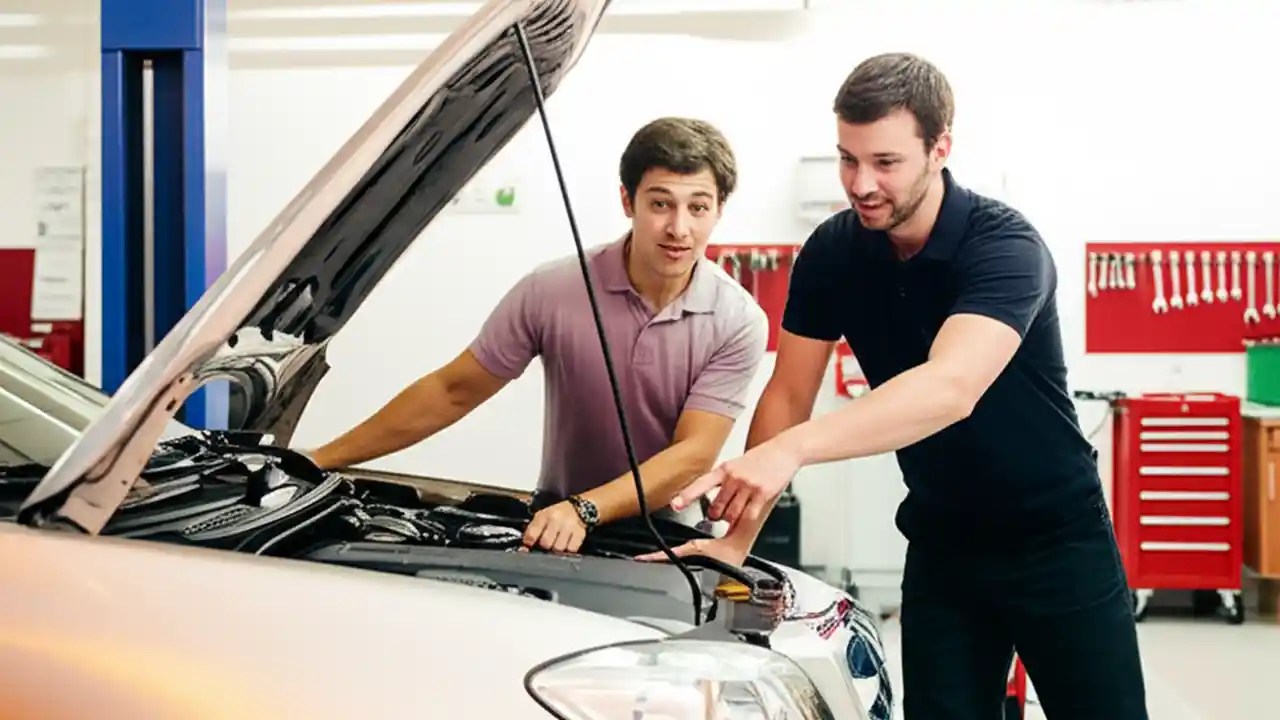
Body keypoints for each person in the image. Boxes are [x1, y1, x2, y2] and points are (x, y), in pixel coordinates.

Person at [642, 54, 1149, 719]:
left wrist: (792, 451)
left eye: (885, 162)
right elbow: (789, 394)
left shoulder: (1004, 246)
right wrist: (743, 532)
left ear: (940, 147)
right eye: (847, 160)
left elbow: (950, 387)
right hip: (944, 547)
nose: (861, 183)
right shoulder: (832, 253)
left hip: (1057, 541)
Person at [303, 116, 768, 555]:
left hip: (666, 532)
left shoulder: (736, 319)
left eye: (698, 207)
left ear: (719, 209)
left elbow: (692, 454)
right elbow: (453, 390)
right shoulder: (553, 290)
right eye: (660, 203)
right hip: (555, 517)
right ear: (628, 201)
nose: (679, 228)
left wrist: (588, 509)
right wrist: (322, 457)